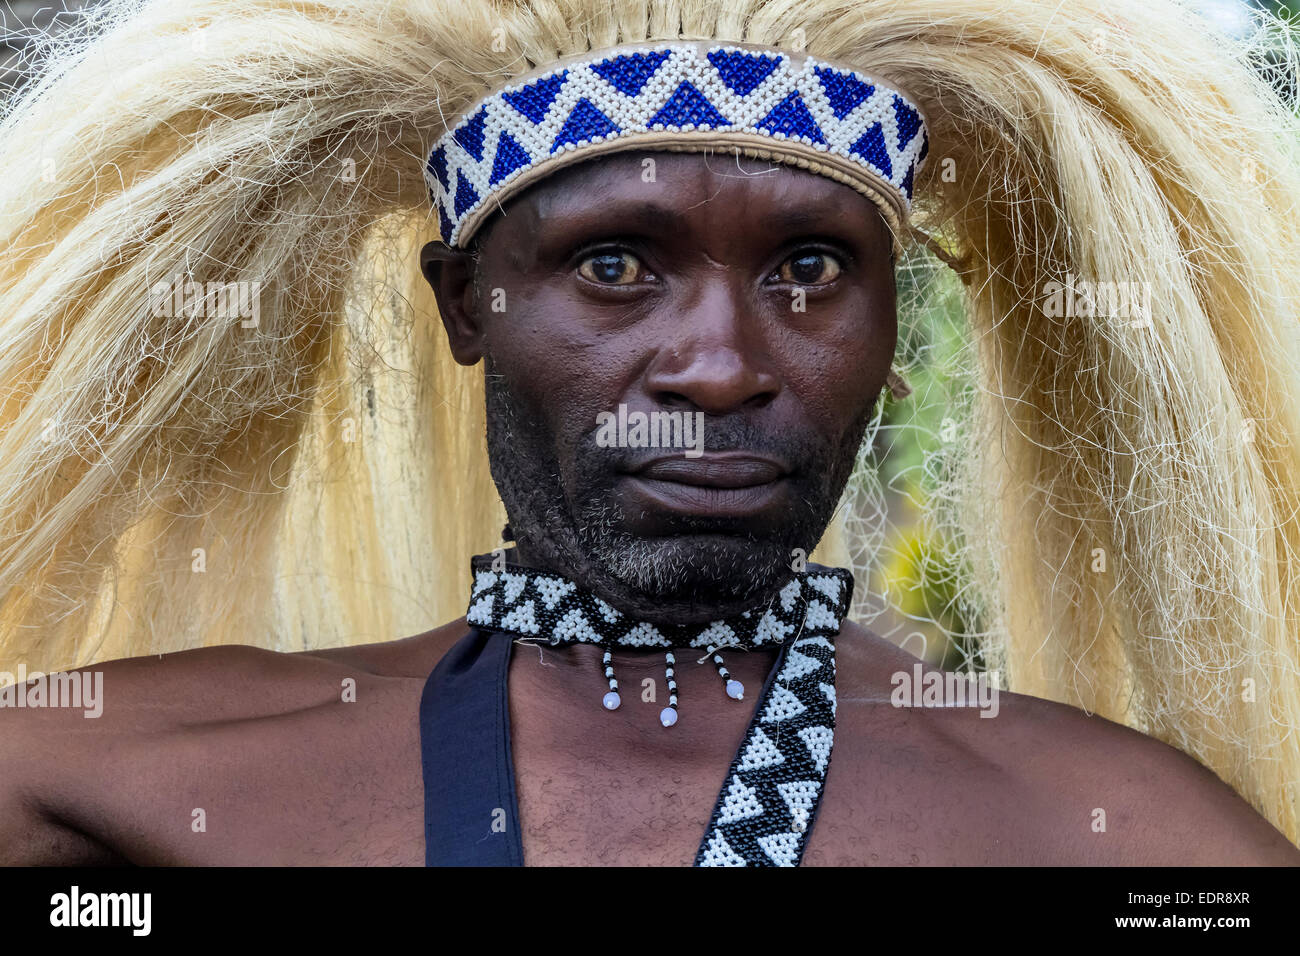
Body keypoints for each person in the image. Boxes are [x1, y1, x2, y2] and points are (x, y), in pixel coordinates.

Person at [1, 0, 1298, 866]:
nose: (723, 367)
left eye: (810, 267)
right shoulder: (95, 785)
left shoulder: (1127, 840)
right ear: (468, 305)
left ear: (892, 327)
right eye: (616, 265)